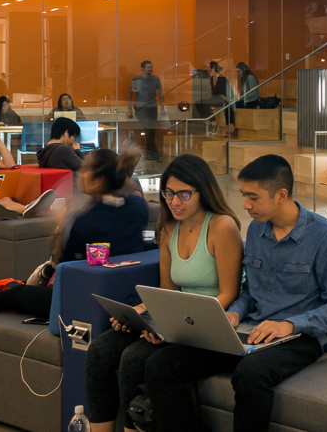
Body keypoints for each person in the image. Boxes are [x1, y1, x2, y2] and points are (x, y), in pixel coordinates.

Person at [142, 155, 327, 432]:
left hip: (300, 336)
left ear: (281, 195)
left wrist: (288, 324)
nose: (245, 205)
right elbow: (249, 292)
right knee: (162, 364)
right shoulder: (256, 230)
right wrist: (234, 312)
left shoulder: (324, 235)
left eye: (253, 197)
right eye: (244, 195)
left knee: (251, 373)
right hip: (251, 329)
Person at [84, 155, 243, 432]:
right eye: (168, 194)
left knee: (134, 358)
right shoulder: (169, 227)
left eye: (183, 194)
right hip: (176, 315)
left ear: (202, 191)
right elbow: (167, 291)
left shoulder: (222, 225)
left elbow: (229, 293)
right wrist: (140, 314)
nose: (174, 202)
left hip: (207, 321)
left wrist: (173, 324)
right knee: (101, 349)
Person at [0, 149, 150, 318]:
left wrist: (62, 225)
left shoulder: (81, 220)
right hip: (124, 289)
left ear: (99, 180)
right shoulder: (137, 206)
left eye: (86, 169)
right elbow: (102, 251)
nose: (80, 173)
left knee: (17, 295)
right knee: (27, 285)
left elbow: (62, 265)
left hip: (84, 297)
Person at [130, 59, 166, 161]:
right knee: (148, 131)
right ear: (142, 69)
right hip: (141, 108)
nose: (150, 69)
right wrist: (130, 109)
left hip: (152, 108)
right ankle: (156, 156)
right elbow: (129, 95)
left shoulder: (156, 79)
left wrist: (162, 109)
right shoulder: (137, 79)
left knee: (150, 132)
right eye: (148, 67)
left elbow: (160, 94)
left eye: (151, 67)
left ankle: (151, 155)